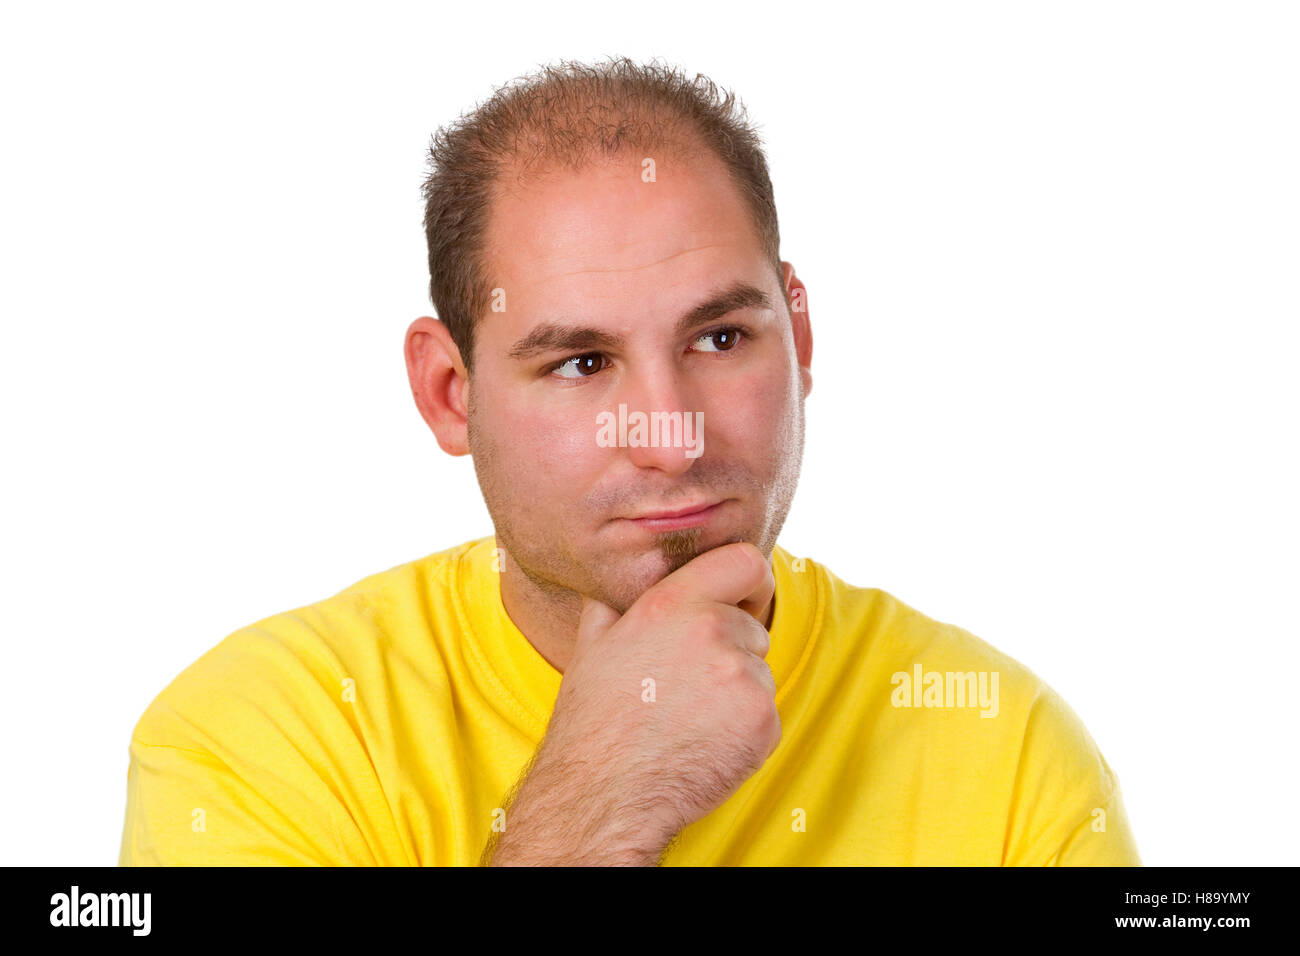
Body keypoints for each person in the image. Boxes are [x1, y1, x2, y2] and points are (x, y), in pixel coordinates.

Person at [119, 57, 1141, 866]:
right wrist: (591, 811)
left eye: (720, 339)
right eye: (580, 361)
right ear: (450, 392)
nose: (667, 434)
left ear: (801, 338)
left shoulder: (1007, 750)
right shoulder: (255, 739)